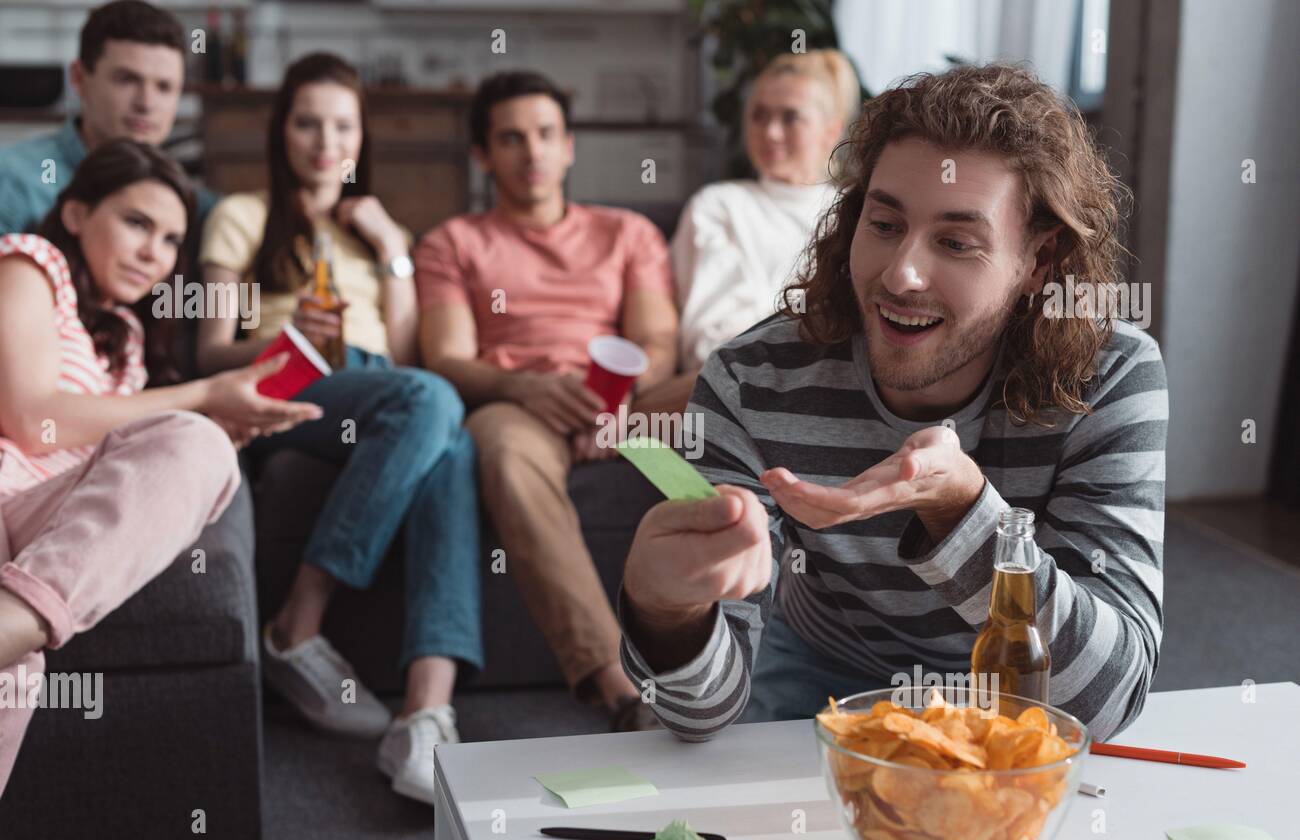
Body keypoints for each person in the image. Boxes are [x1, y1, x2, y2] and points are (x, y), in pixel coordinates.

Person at [619, 65, 1168, 743]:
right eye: (884, 223)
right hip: (818, 663)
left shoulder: (1111, 376)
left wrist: (962, 511)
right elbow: (696, 712)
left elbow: (1110, 698)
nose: (901, 274)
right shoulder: (751, 378)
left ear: (1039, 259)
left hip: (1008, 688)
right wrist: (666, 612)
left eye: (955, 242)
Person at [198, 53, 480, 805]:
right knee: (431, 408)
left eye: (343, 125)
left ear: (362, 138)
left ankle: (424, 710)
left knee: (450, 436)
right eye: (308, 123)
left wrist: (392, 248)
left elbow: (416, 359)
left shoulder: (376, 231)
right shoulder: (242, 214)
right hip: (282, 379)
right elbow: (206, 350)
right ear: (281, 131)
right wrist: (282, 345)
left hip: (384, 389)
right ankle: (301, 616)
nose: (326, 141)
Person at [0, 140, 321, 797]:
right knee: (17, 668)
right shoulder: (30, 264)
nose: (155, 252)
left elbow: (116, 471)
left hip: (50, 523)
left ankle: (14, 619)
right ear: (76, 212)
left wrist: (198, 449)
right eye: (137, 223)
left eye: (173, 238)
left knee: (200, 446)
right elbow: (33, 419)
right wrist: (205, 393)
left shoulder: (128, 339)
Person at [416, 71, 678, 732]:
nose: (531, 152)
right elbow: (446, 357)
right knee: (503, 457)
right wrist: (522, 386)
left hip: (625, 400)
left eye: (544, 134)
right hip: (517, 402)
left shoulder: (628, 233)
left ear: (568, 146)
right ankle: (619, 686)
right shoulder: (452, 243)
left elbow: (656, 339)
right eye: (510, 138)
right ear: (483, 154)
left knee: (722, 407)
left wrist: (617, 407)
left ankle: (751, 652)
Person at [639, 50, 859, 414]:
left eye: (791, 117)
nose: (770, 132)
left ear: (830, 131)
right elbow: (709, 335)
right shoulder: (720, 204)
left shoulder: (857, 211)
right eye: (759, 116)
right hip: (728, 379)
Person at [0, 0, 219, 235]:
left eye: (164, 87)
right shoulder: (14, 182)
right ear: (79, 79)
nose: (146, 103)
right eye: (126, 80)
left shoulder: (197, 206)